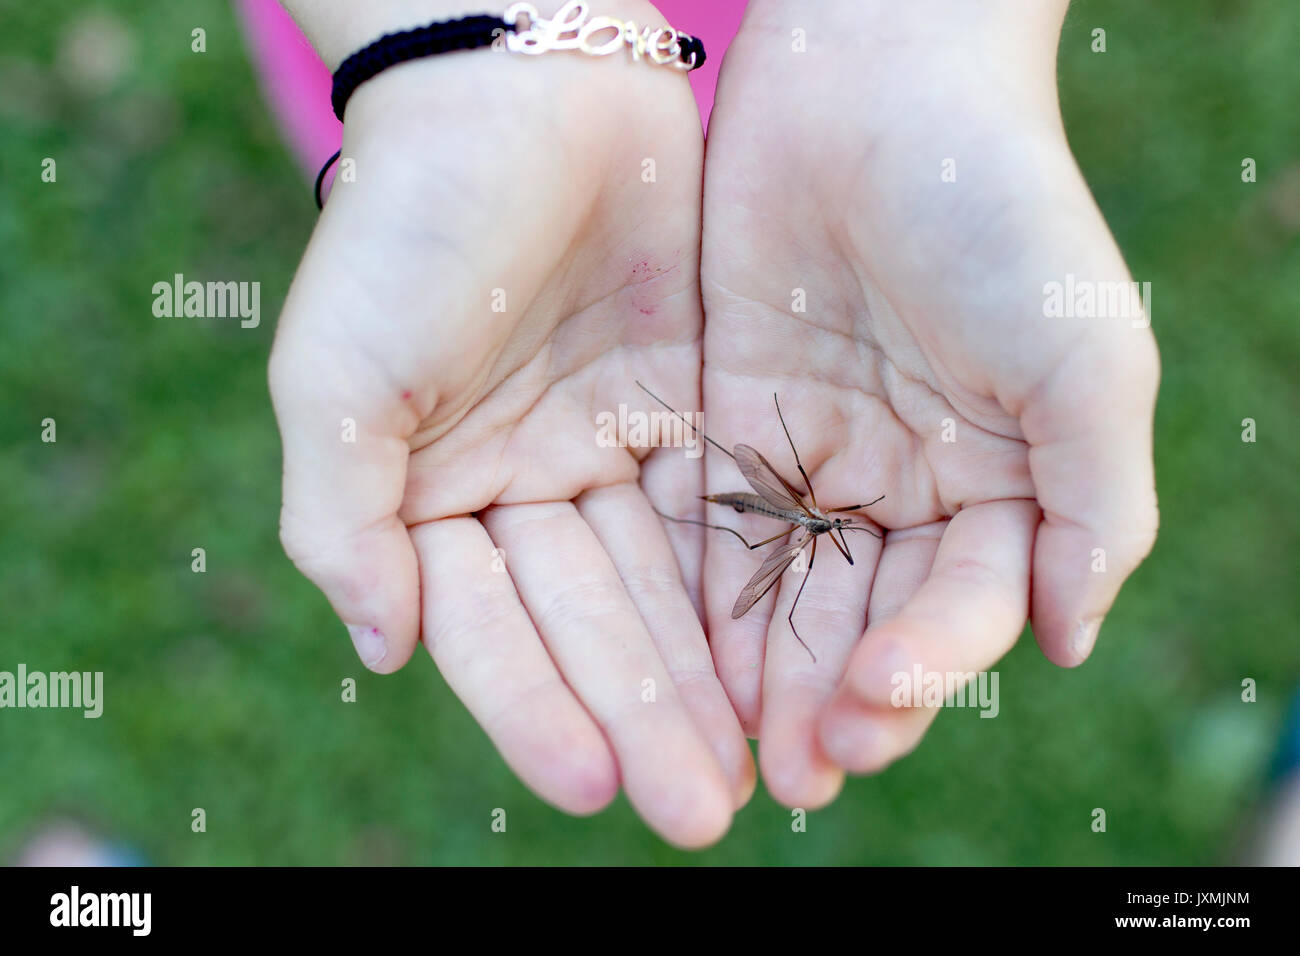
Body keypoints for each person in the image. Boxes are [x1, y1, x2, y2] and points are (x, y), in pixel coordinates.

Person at [258, 0, 1159, 848]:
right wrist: (444, 74)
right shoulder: (808, 513)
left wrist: (915, 37)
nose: (830, 529)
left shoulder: (812, 521)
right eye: (832, 526)